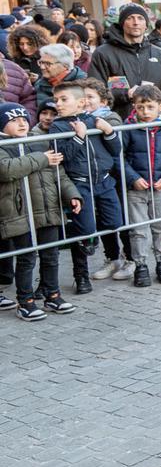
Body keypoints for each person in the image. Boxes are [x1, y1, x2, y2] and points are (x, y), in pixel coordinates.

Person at [0, 103, 80, 320]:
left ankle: (52, 296)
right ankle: (25, 301)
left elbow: (59, 174)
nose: (21, 123)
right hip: (20, 214)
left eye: (24, 119)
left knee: (51, 255)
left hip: (47, 210)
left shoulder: (38, 142)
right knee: (26, 258)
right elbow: (7, 169)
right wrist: (43, 158)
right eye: (14, 120)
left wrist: (71, 194)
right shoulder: (2, 146)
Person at [48, 81, 122, 295]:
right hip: (79, 183)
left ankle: (83, 229)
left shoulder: (95, 120)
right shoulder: (57, 126)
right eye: (56, 100)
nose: (58, 104)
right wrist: (79, 137)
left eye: (64, 100)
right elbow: (63, 157)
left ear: (81, 102)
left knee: (114, 222)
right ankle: (80, 275)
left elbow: (116, 149)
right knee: (85, 229)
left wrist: (108, 131)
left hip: (104, 180)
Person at [120, 84, 161, 287]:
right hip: (136, 188)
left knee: (160, 226)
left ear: (160, 107)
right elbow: (121, 158)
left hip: (159, 188)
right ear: (134, 106)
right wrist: (132, 177)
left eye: (150, 107)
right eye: (140, 107)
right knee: (139, 229)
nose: (145, 112)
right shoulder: (127, 129)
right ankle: (141, 265)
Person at [89, 3, 161, 119]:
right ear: (122, 24)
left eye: (140, 18)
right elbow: (94, 93)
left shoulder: (160, 55)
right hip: (118, 127)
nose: (135, 22)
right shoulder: (103, 53)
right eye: (130, 18)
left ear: (146, 25)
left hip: (155, 128)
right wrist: (125, 94)